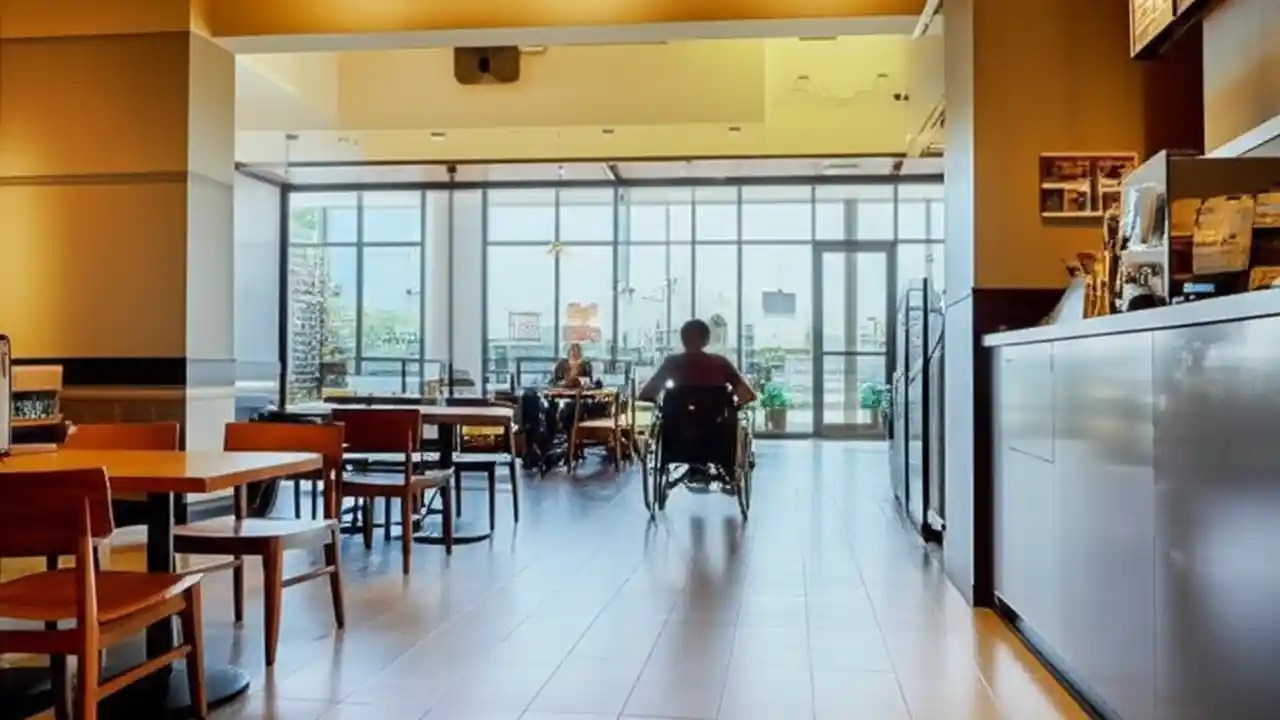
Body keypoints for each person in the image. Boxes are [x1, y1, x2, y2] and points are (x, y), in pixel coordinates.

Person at [640, 319, 757, 405]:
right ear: (706, 340)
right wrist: (733, 405)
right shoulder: (721, 364)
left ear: (682, 339)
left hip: (676, 431)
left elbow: (646, 394)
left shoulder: (672, 364)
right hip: (717, 430)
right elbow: (748, 395)